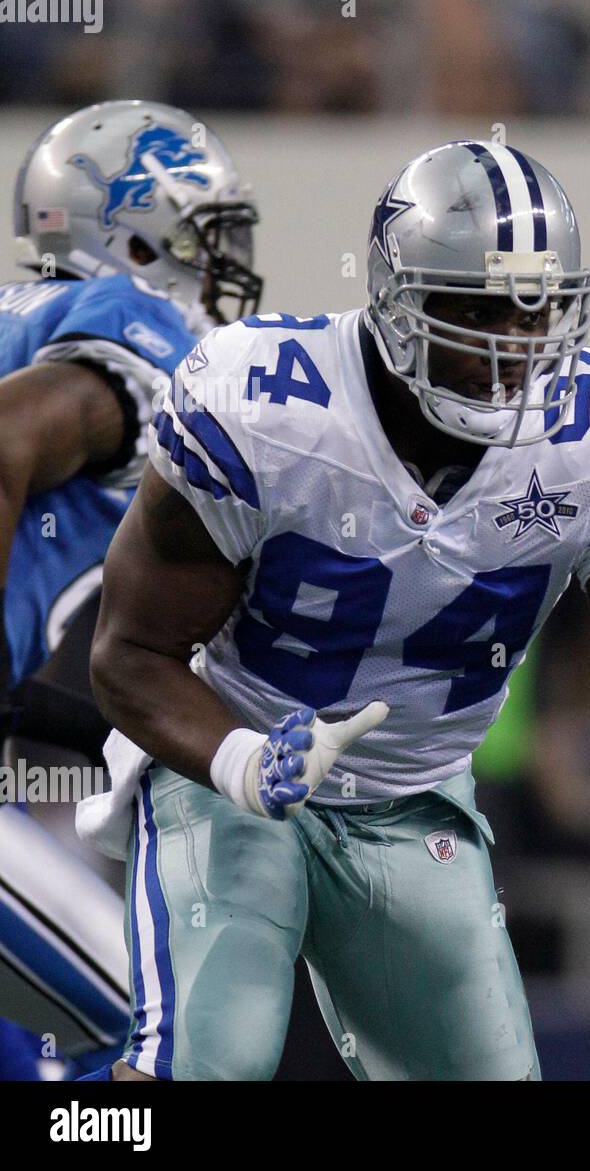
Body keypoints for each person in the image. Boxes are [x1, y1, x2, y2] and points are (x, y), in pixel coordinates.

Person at [80, 139, 590, 1081]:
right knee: (209, 1060)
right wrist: (248, 760)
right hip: (228, 766)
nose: (512, 346)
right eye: (479, 311)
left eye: (537, 312)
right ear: (395, 302)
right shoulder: (261, 400)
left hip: (415, 800)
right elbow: (127, 657)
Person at [0, 100, 260, 1078]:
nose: (227, 264)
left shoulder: (17, 321)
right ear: (137, 234)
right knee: (158, 1030)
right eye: (207, 235)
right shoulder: (132, 323)